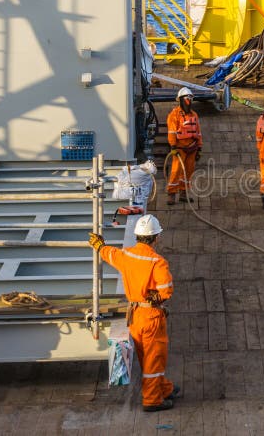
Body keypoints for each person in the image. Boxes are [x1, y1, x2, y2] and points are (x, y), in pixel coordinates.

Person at [88, 215, 179, 412]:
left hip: (135, 316)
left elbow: (109, 253)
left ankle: (164, 388)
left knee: (146, 356)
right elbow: (166, 290)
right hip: (152, 317)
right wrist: (157, 297)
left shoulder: (126, 255)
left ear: (137, 236)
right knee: (154, 358)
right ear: (155, 238)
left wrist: (99, 246)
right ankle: (153, 400)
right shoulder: (157, 262)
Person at [166, 87, 203, 205]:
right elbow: (172, 132)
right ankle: (171, 194)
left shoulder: (194, 115)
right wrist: (173, 146)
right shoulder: (174, 115)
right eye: (187, 98)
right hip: (179, 148)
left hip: (192, 147)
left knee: (189, 171)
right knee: (176, 170)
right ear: (181, 100)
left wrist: (199, 147)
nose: (189, 101)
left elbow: (198, 132)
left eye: (190, 98)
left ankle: (183, 193)